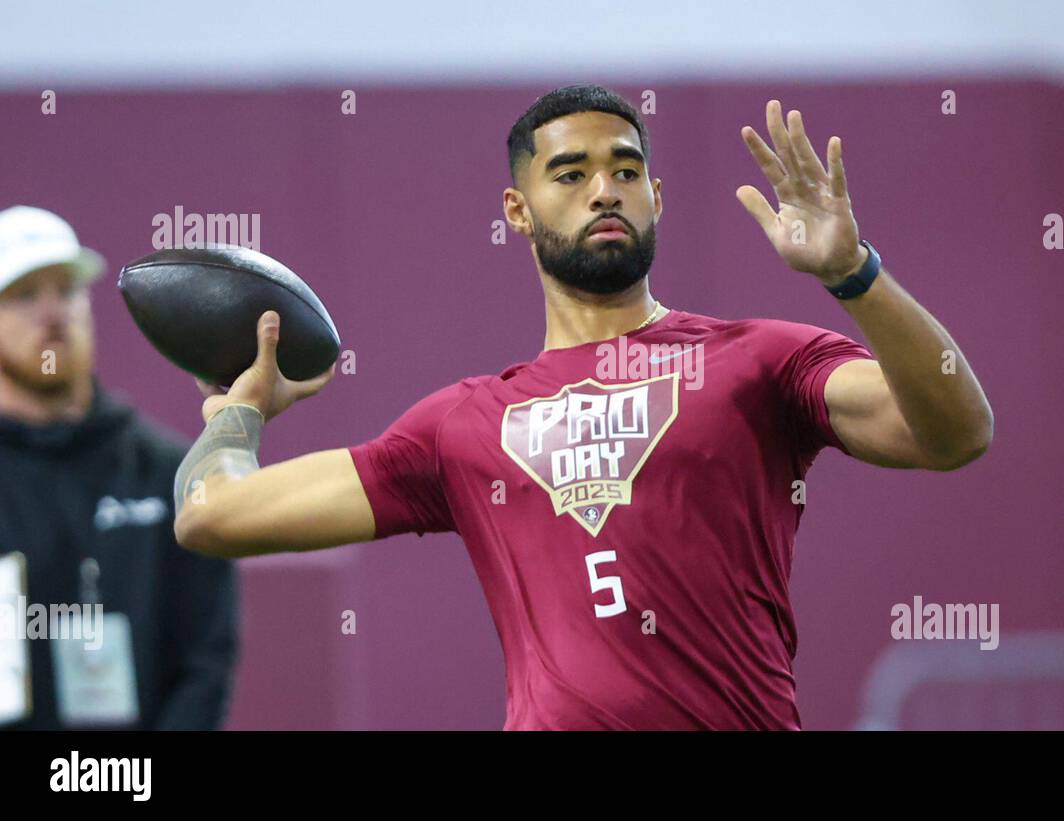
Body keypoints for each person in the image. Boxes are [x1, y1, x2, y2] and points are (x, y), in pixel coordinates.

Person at [173, 85, 994, 730]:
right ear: (518, 211)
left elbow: (958, 432)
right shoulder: (463, 426)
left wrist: (854, 274)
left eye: (627, 170)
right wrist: (238, 414)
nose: (605, 189)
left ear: (656, 195)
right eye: (570, 174)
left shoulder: (760, 361)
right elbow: (213, 515)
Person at [0, 205, 238, 730]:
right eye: (23, 296)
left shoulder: (170, 471)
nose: (52, 313)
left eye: (65, 289)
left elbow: (205, 659)